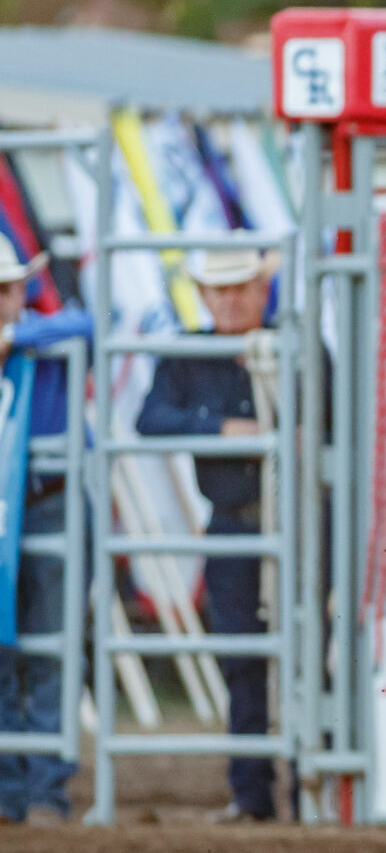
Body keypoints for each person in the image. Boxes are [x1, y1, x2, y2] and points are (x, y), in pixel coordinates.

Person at [136, 248, 283, 822]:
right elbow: (149, 419)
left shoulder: (293, 348)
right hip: (232, 523)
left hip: (294, 523)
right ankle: (253, 792)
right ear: (202, 296)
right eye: (219, 290)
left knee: (313, 649)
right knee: (241, 655)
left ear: (259, 291)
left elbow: (327, 419)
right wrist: (221, 428)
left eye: (240, 287)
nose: (228, 299)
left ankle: (311, 783)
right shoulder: (188, 353)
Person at [0, 237, 90, 826]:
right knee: (12, 653)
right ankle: (13, 788)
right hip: (22, 506)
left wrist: (17, 338)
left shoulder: (43, 333)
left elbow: (86, 325)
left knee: (51, 647)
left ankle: (44, 789)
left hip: (48, 503)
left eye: (5, 289)